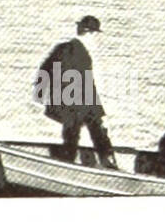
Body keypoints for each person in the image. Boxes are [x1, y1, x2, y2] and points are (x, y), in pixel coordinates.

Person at [35, 15, 117, 169]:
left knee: (77, 134)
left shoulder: (63, 47)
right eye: (97, 35)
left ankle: (69, 165)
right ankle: (107, 164)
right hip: (75, 104)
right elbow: (86, 85)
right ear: (91, 34)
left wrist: (39, 97)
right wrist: (98, 112)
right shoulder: (81, 54)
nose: (98, 41)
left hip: (67, 102)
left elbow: (44, 70)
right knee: (92, 130)